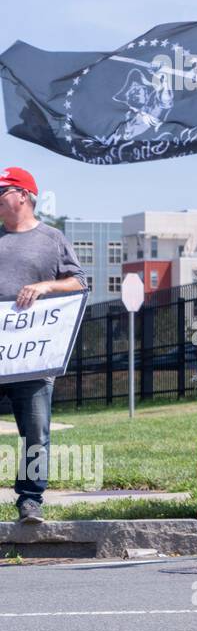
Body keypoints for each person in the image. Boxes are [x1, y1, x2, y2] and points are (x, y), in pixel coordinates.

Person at [0, 168, 86, 525]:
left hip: (32, 357)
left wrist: (45, 287)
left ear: (23, 195)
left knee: (36, 430)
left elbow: (79, 283)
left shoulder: (52, 239)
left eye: (2, 190)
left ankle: (30, 499)